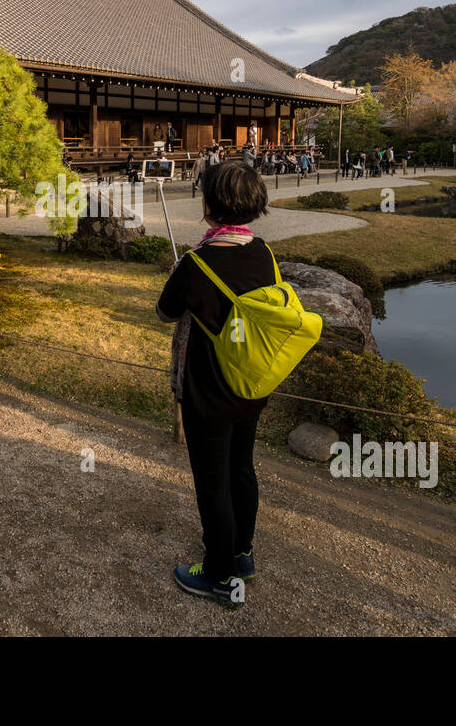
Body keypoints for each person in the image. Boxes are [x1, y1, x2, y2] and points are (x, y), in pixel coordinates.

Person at [157, 161, 275, 606]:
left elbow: (165, 311)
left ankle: (220, 575)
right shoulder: (262, 251)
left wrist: (179, 273)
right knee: (241, 467)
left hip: (208, 387)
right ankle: (242, 554)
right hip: (251, 381)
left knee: (213, 480)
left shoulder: (197, 262)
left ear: (211, 204)